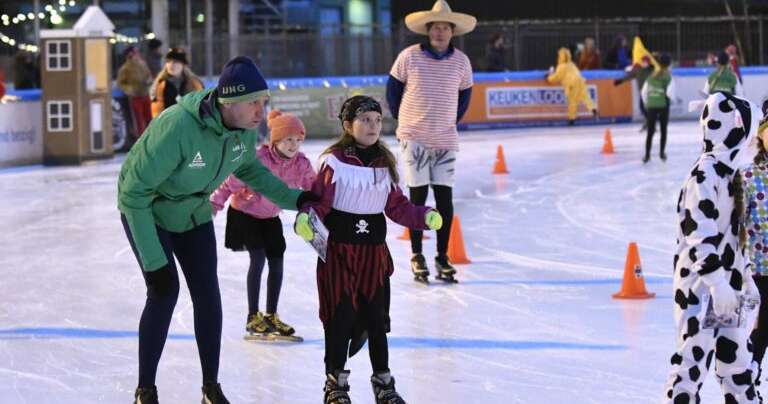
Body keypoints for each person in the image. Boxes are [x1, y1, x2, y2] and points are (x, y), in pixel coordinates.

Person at [118, 56, 317, 404]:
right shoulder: (178, 127)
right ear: (228, 102)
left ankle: (210, 388)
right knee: (164, 292)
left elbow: (252, 172)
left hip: (193, 214)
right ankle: (145, 391)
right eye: (253, 102)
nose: (260, 111)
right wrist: (154, 262)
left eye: (263, 101)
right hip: (148, 211)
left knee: (208, 296)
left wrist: (296, 198)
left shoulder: (243, 130)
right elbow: (133, 194)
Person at [294, 95, 443, 404]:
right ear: (348, 125)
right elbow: (319, 201)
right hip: (339, 253)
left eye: (377, 120)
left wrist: (423, 216)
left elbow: (398, 207)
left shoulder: (384, 163)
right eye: (365, 120)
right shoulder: (334, 161)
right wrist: (306, 219)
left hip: (373, 254)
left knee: (376, 318)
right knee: (340, 315)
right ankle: (335, 382)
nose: (373, 126)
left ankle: (383, 382)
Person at [662, 91, 762, 403]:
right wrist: (717, 283)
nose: (754, 140)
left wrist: (746, 277)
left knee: (736, 363)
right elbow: (698, 235)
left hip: (728, 291)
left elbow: (734, 238)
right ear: (735, 129)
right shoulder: (704, 174)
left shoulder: (730, 174)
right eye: (751, 132)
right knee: (692, 361)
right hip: (701, 289)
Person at [386, 0, 475, 283]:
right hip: (414, 137)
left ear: (452, 31)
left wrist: (447, 121)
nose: (439, 32)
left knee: (444, 200)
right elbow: (393, 92)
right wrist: (406, 120)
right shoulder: (409, 57)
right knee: (418, 198)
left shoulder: (461, 62)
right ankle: (417, 255)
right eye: (435, 27)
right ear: (428, 30)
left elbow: (465, 96)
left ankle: (442, 256)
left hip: (445, 139)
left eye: (445, 28)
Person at [210, 109, 315, 338]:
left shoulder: (301, 164)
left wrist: (320, 211)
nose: (294, 145)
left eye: (298, 140)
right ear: (275, 140)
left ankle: (271, 315)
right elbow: (229, 184)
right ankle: (252, 317)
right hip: (245, 214)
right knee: (257, 258)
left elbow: (314, 190)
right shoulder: (258, 160)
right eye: (288, 139)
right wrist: (214, 205)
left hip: (270, 217)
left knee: (277, 261)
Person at [743, 106, 768, 385]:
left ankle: (751, 368)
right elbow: (737, 222)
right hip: (761, 266)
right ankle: (750, 368)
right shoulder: (749, 177)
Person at [547, 47, 598, 126]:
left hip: (571, 83)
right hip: (580, 81)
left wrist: (548, 77)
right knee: (585, 97)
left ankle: (572, 119)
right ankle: (593, 109)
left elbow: (555, 78)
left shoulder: (561, 67)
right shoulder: (572, 64)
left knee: (572, 101)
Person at [641, 54, 676, 163]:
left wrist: (648, 103)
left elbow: (644, 92)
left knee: (650, 132)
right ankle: (661, 153)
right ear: (669, 65)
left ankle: (647, 155)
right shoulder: (668, 77)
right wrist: (668, 101)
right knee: (663, 130)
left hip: (651, 106)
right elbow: (670, 94)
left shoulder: (651, 76)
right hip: (663, 106)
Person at [150, 47, 204, 118]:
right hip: (168, 122)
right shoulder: (160, 84)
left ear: (183, 65)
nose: (171, 65)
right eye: (168, 61)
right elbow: (157, 112)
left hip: (189, 122)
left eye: (175, 62)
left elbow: (201, 107)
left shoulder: (195, 83)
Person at [117, 46, 154, 138]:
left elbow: (149, 75)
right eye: (134, 53)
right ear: (130, 55)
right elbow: (120, 83)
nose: (137, 55)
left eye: (137, 53)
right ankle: (140, 138)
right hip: (135, 97)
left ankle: (152, 136)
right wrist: (128, 89)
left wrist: (149, 80)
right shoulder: (125, 68)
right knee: (138, 119)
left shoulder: (143, 64)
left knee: (149, 117)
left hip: (145, 94)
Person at [614, 55, 655, 131]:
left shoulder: (651, 70)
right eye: (643, 62)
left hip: (650, 91)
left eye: (646, 62)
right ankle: (650, 123)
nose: (644, 63)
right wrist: (620, 81)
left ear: (649, 63)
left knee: (646, 108)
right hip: (643, 92)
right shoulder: (638, 70)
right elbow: (629, 76)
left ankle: (650, 123)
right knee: (643, 108)